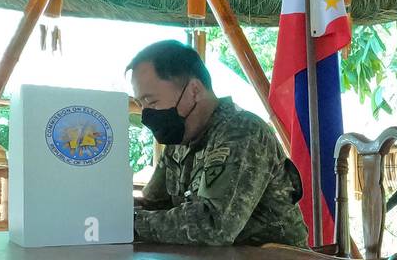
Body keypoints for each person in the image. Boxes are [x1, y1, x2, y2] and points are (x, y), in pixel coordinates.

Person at [128, 40, 307, 247]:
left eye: (151, 102)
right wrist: (107, 212)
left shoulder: (242, 132)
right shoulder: (180, 138)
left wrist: (128, 224)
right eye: (141, 104)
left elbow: (213, 225)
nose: (146, 115)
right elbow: (155, 204)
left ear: (194, 90)